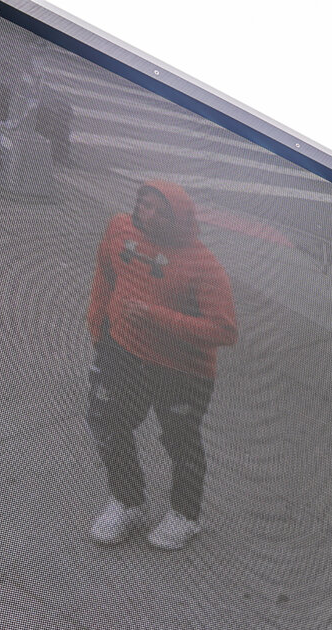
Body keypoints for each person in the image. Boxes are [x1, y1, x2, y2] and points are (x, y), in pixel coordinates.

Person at [84, 181, 238, 550]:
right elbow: (106, 273)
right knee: (106, 420)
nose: (145, 213)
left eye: (156, 209)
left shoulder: (204, 267)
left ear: (177, 219)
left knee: (180, 441)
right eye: (143, 203)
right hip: (121, 351)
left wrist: (156, 316)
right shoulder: (120, 228)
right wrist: (98, 329)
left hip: (182, 370)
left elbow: (225, 330)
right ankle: (128, 501)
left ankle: (185, 516)